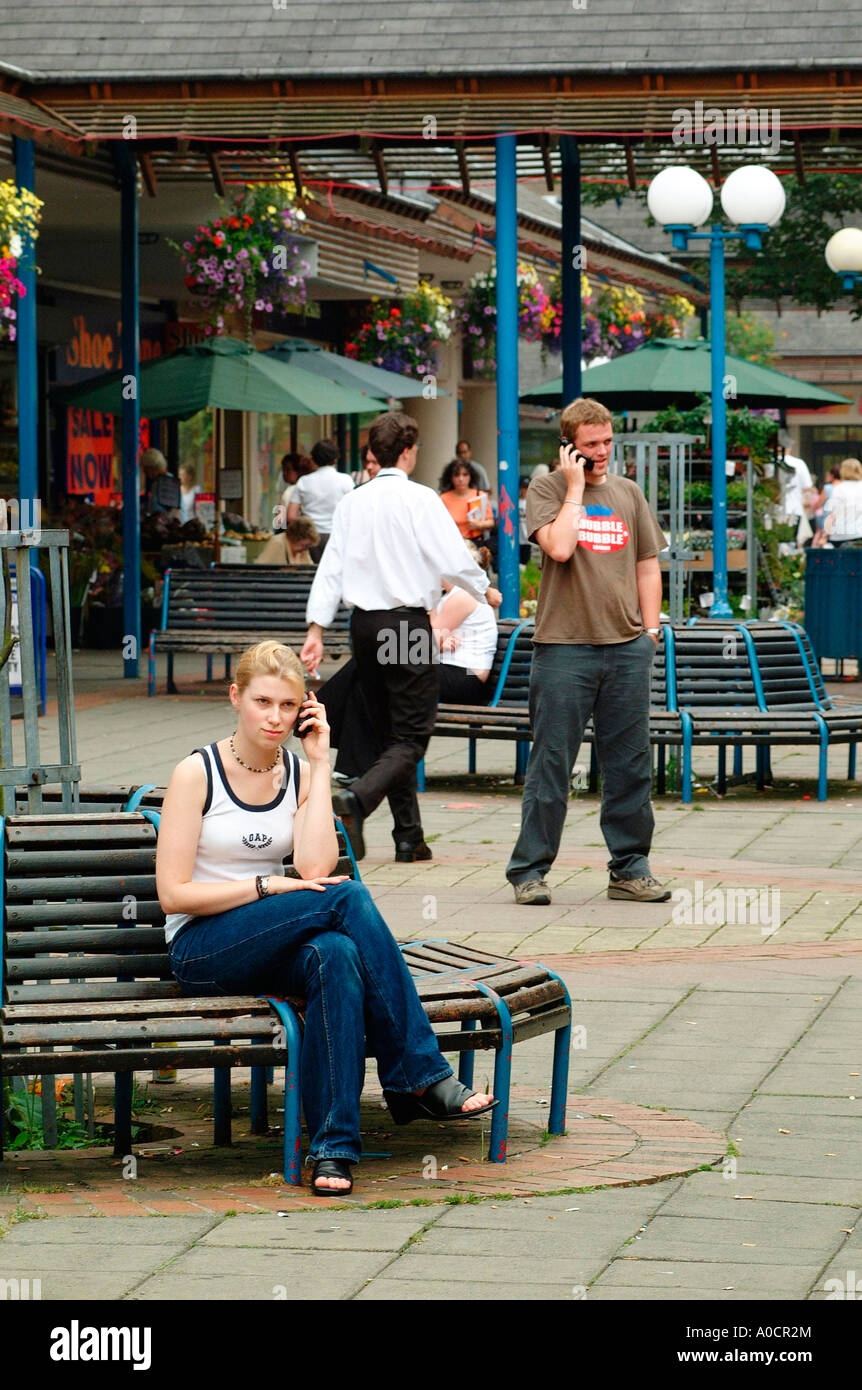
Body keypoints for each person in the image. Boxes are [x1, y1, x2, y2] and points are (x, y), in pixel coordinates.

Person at [155, 640, 496, 1197]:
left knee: (335, 955)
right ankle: (418, 1075)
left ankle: (333, 1150)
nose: (275, 718)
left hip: (271, 938)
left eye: (288, 707)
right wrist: (266, 884)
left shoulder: (296, 769)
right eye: (263, 702)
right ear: (236, 697)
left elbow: (315, 866)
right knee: (347, 899)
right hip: (203, 947)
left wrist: (319, 761)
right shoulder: (197, 773)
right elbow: (174, 895)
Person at [300, 411, 502, 863]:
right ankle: (358, 798)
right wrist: (482, 587)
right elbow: (452, 555)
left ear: (376, 452)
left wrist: (316, 628)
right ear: (408, 452)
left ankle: (410, 838)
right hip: (405, 625)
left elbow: (331, 569)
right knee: (411, 736)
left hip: (364, 627)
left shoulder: (354, 501)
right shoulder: (420, 498)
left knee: (389, 730)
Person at [506, 396, 670, 907]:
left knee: (630, 764)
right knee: (552, 763)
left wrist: (649, 633)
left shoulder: (629, 493)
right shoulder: (548, 489)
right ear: (569, 447)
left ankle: (630, 867)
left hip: (625, 648)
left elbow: (647, 564)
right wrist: (575, 487)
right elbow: (558, 547)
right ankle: (529, 870)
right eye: (590, 445)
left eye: (606, 442)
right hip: (564, 649)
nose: (601, 452)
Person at [430, 542, 498, 705]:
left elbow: (424, 642)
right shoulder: (453, 595)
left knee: (394, 670)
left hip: (466, 678)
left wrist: (437, 644)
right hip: (454, 672)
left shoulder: (463, 595)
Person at [287, 438, 353, 560]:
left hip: (310, 537)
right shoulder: (346, 481)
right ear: (335, 458)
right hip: (337, 536)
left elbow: (291, 516)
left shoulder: (303, 482)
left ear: (314, 459)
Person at [439, 459, 495, 541]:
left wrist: (479, 524)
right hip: (452, 543)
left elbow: (491, 522)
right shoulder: (443, 498)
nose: (461, 479)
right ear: (451, 478)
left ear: (470, 476)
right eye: (456, 475)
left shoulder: (479, 495)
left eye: (465, 474)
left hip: (475, 544)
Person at [816, 457, 862, 547]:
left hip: (840, 536)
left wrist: (824, 536)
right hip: (859, 534)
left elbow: (832, 515)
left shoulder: (839, 489)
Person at [255, 516, 319, 566]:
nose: (305, 549)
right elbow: (260, 567)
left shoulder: (303, 550)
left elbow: (309, 567)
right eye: (304, 545)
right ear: (295, 538)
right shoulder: (277, 542)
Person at [141, 447, 180, 516]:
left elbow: (174, 512)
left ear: (152, 467)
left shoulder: (169, 483)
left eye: (146, 469)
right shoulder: (157, 483)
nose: (144, 472)